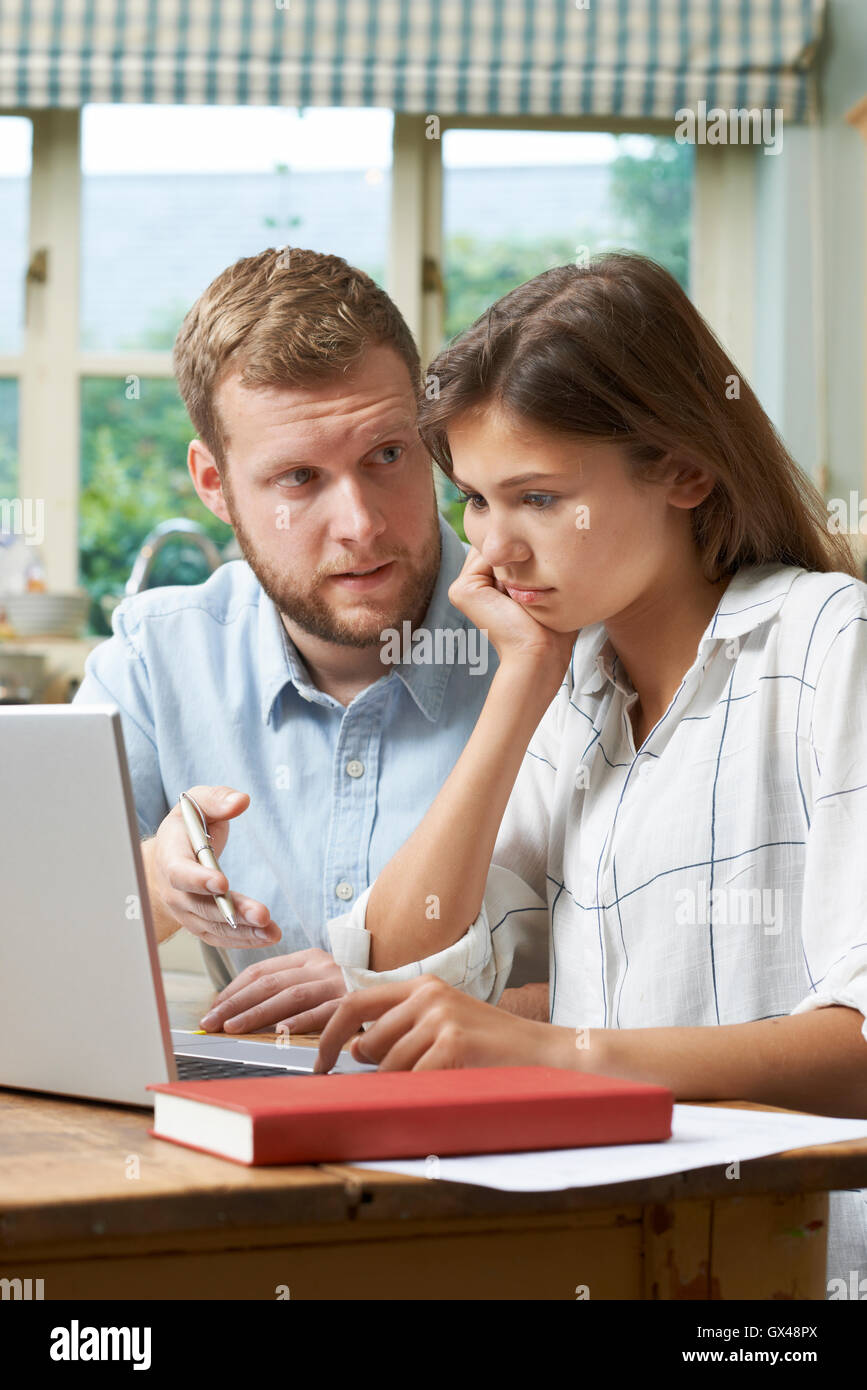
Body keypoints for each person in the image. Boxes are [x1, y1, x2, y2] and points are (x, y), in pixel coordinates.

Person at [314, 252, 867, 1294]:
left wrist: (560, 1051)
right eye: (474, 500)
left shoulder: (830, 645)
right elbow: (393, 955)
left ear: (685, 470)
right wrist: (521, 685)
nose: (493, 551)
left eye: (537, 496)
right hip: (620, 1256)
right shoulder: (576, 693)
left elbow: (860, 1044)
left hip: (798, 1279)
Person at [73, 247, 546, 1036]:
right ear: (214, 485)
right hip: (258, 1140)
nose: (360, 525)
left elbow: (651, 977)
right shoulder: (156, 660)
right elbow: (39, 934)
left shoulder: (554, 635)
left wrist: (429, 996)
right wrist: (158, 880)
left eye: (387, 456)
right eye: (299, 479)